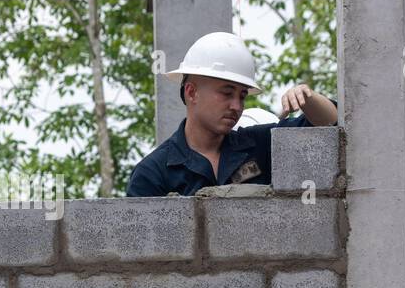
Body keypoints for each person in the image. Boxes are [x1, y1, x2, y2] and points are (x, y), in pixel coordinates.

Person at [127, 31, 337, 197]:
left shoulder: (260, 145)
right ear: (192, 92)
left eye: (242, 96)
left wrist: (307, 97)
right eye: (227, 93)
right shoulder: (154, 173)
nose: (237, 106)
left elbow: (328, 125)